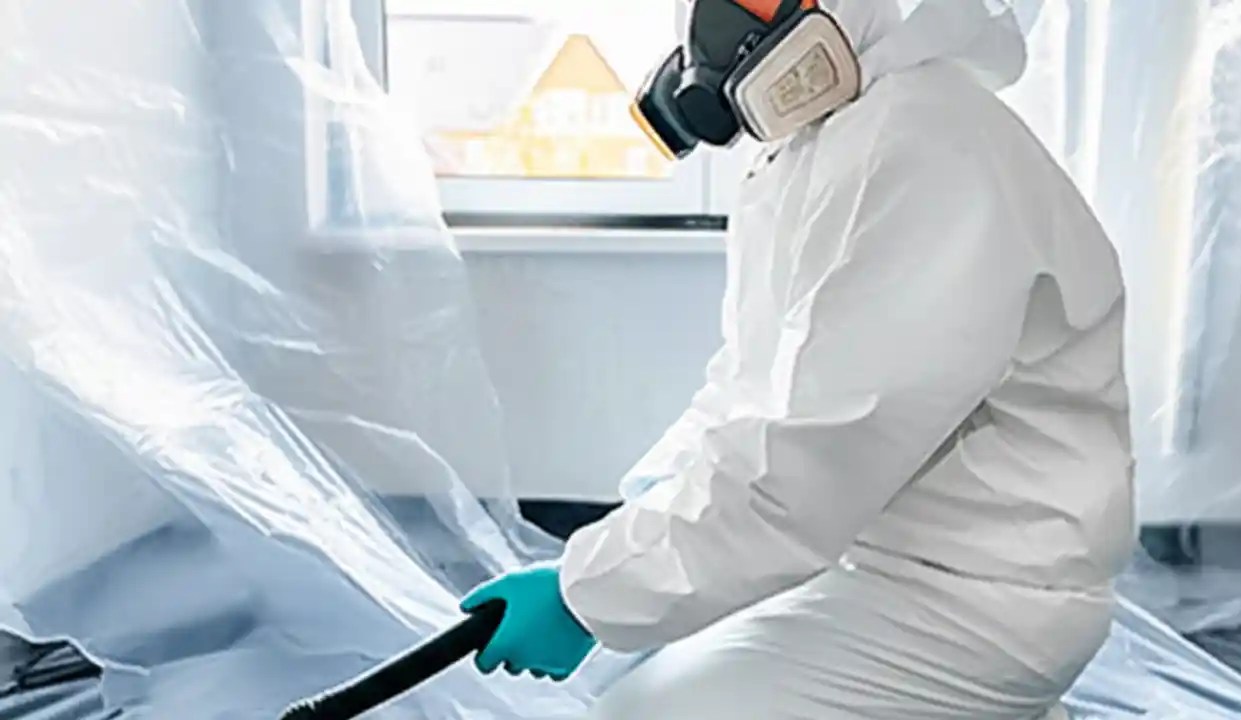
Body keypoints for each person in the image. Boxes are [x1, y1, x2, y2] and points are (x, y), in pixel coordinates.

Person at [461, 0, 1135, 717]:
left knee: (641, 714)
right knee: (644, 660)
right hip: (878, 556)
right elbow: (747, 392)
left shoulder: (922, 145)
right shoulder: (820, 146)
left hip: (979, 600)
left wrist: (588, 594)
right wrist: (627, 538)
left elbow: (814, 458)